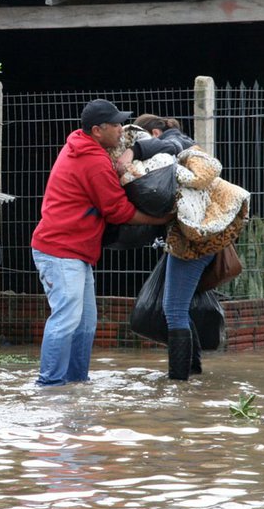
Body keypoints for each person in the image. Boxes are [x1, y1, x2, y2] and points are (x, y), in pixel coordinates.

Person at [31, 99, 173, 387]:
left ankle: (76, 383)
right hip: (60, 251)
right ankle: (49, 386)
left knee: (84, 324)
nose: (122, 129)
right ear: (97, 130)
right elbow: (117, 210)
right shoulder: (93, 161)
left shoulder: (81, 146)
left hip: (74, 251)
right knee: (67, 319)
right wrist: (160, 219)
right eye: (116, 124)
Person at [121, 114, 249, 380]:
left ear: (155, 133)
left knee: (174, 309)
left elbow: (170, 148)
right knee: (178, 306)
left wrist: (134, 150)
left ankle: (179, 382)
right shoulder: (182, 145)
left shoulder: (175, 142)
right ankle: (193, 370)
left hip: (193, 242)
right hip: (197, 238)